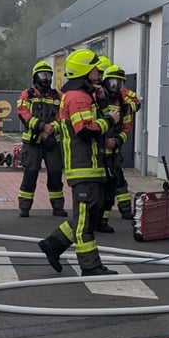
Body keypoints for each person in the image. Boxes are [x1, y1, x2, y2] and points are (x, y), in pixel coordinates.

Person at [37, 49, 119, 277]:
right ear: (85, 71)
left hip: (91, 167)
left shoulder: (85, 95)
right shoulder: (77, 98)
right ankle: (90, 266)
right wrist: (108, 119)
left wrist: (102, 101)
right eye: (95, 68)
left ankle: (53, 245)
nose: (98, 71)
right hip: (84, 167)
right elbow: (86, 131)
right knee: (85, 221)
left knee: (88, 216)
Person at [16, 60, 67, 218]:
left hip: (52, 142)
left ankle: (58, 208)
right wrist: (41, 127)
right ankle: (24, 208)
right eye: (42, 75)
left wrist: (53, 128)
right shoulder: (27, 94)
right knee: (30, 175)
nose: (45, 78)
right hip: (32, 142)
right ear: (35, 77)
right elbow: (23, 113)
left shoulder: (58, 95)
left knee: (55, 175)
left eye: (47, 75)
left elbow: (64, 116)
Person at [96, 64, 135, 232]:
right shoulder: (95, 98)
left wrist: (117, 140)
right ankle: (96, 220)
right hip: (96, 153)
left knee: (116, 184)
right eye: (113, 82)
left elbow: (126, 128)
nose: (116, 86)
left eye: (119, 83)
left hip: (114, 152)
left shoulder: (123, 103)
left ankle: (118, 214)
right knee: (98, 187)